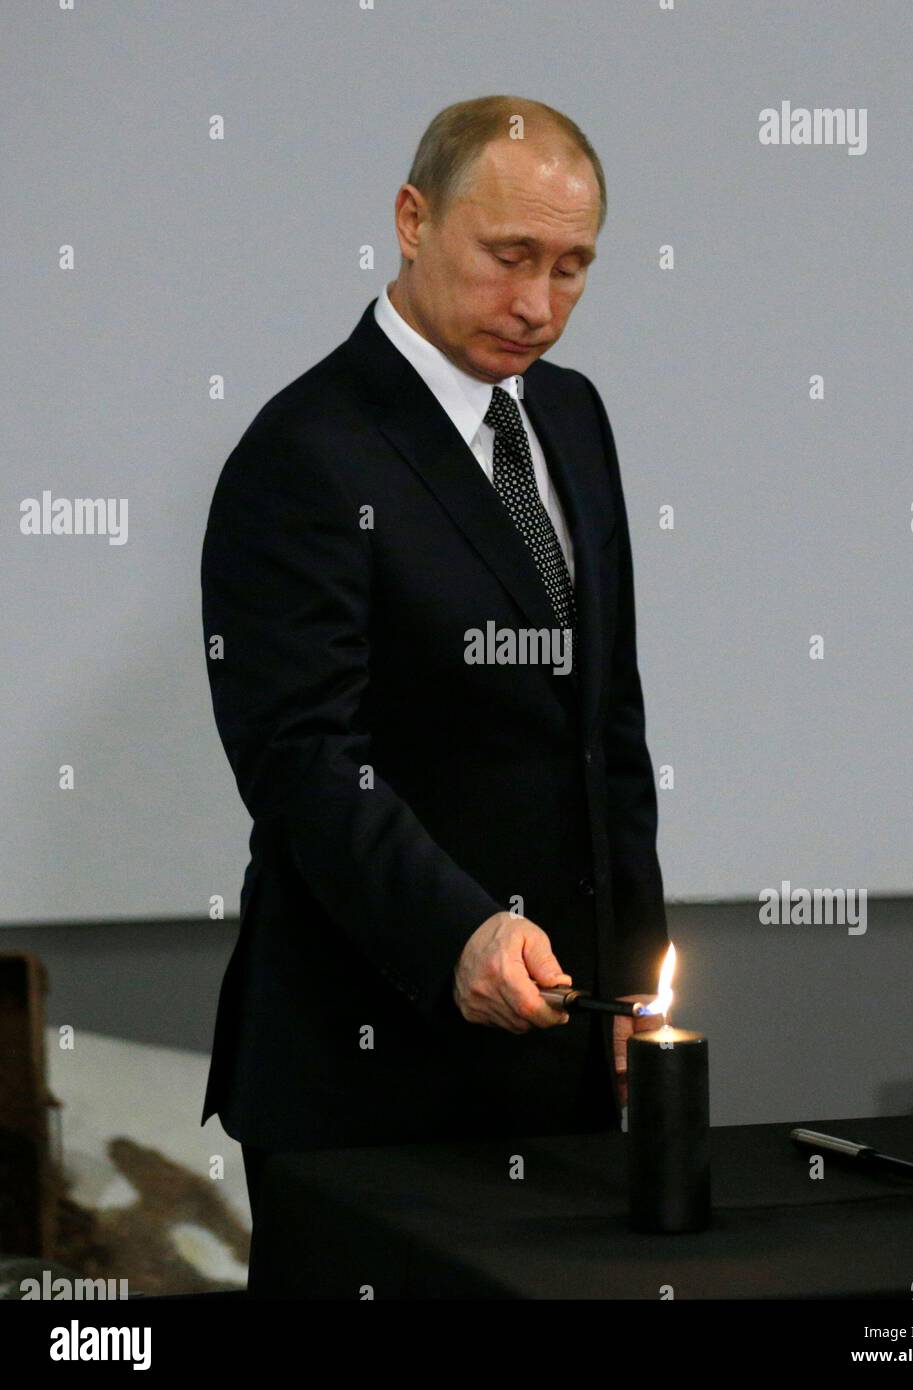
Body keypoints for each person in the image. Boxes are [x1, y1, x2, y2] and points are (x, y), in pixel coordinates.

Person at [199, 95, 670, 1226]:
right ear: (413, 220)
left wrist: (632, 986)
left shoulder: (572, 414)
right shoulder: (304, 449)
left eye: (571, 269)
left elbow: (604, 723)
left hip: (560, 1051)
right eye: (509, 256)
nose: (537, 306)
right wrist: (458, 928)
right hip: (367, 1064)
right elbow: (303, 756)